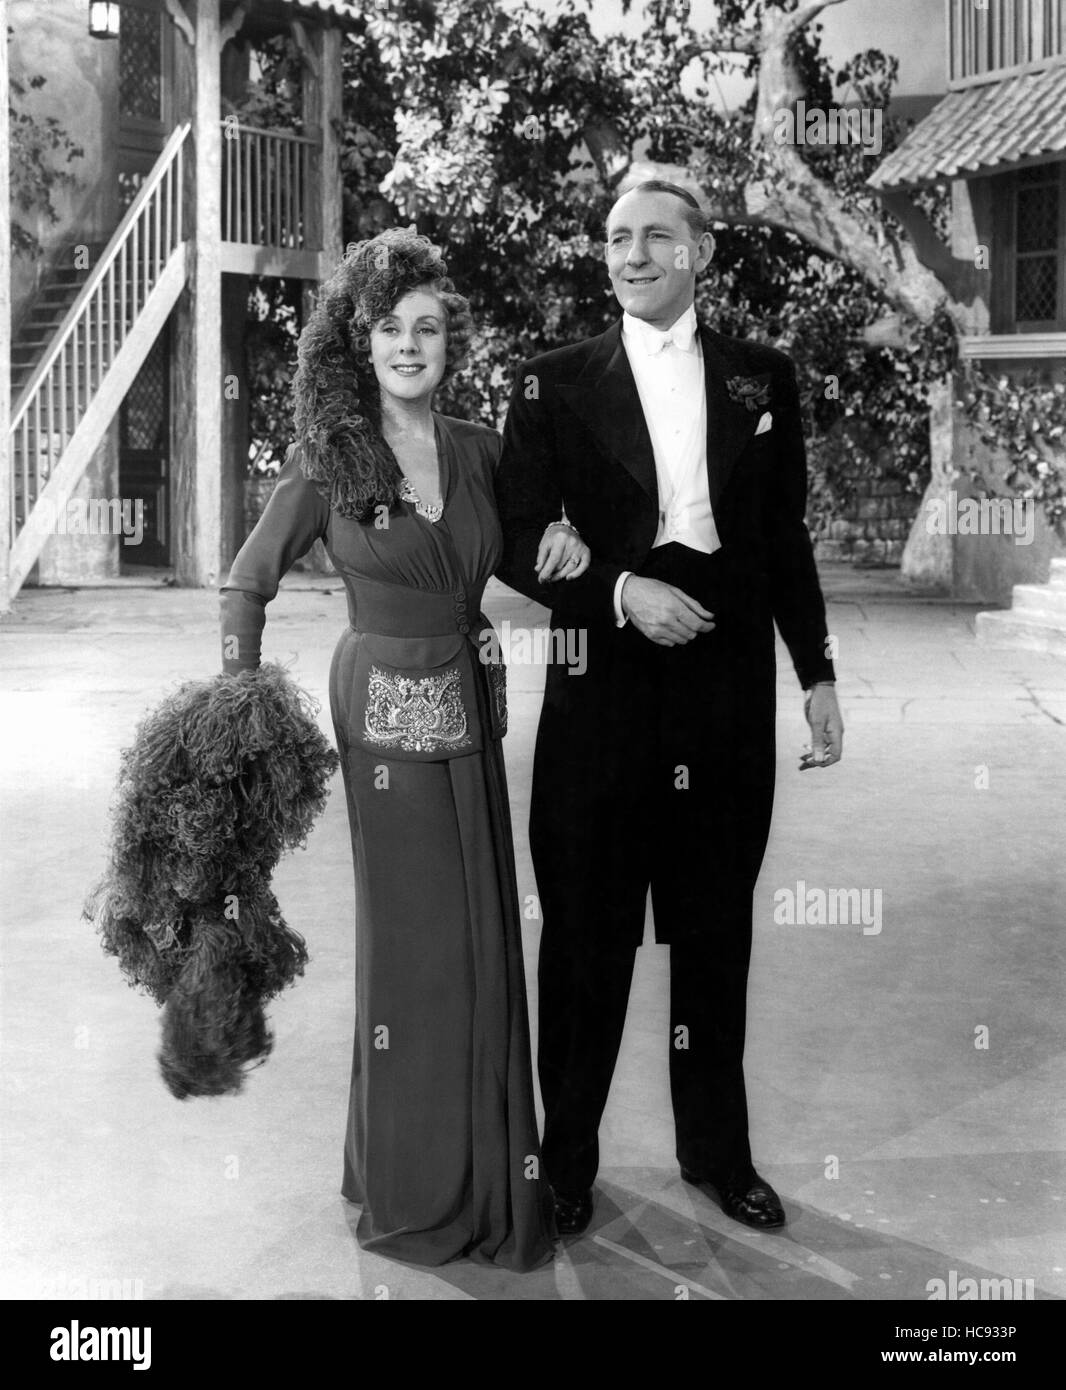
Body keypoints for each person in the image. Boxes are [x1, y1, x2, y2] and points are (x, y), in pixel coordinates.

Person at [218, 229, 587, 1269]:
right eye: (390, 328)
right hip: (379, 699)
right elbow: (247, 579)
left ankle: (481, 1173)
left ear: (448, 343)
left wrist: (564, 547)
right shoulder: (328, 455)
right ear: (359, 341)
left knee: (478, 939)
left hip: (465, 693)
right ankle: (414, 1186)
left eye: (428, 327)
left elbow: (528, 551)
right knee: (416, 947)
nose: (410, 344)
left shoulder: (479, 447)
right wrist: (241, 696)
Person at [493, 180, 845, 1237]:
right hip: (601, 698)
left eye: (654, 236)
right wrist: (615, 589)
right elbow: (513, 538)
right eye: (614, 238)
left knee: (712, 935)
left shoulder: (760, 377)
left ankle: (716, 1155)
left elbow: (783, 539)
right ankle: (566, 1165)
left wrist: (815, 673)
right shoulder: (549, 384)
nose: (631, 254)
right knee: (586, 943)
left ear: (698, 252)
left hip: (724, 698)